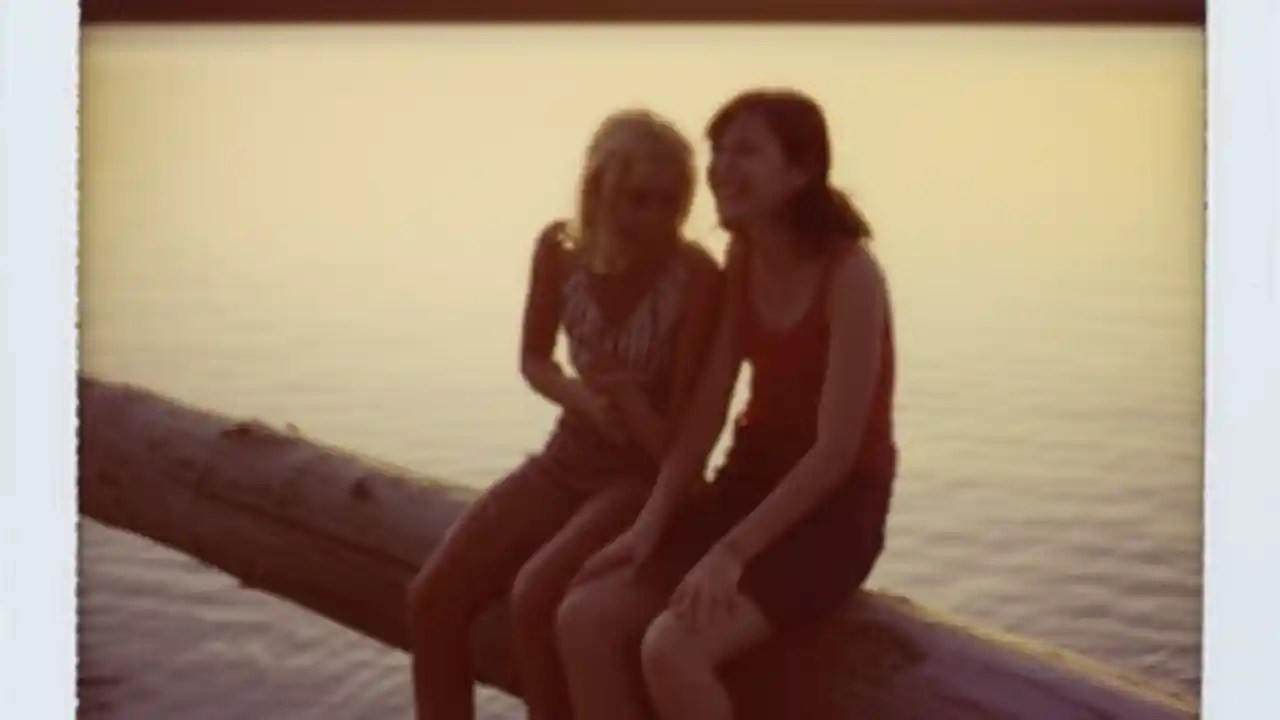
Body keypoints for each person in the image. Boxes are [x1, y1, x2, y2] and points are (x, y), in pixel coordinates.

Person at [556, 88, 898, 720]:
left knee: (672, 650)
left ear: (799, 172)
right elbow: (707, 414)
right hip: (748, 487)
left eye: (745, 151)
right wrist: (650, 525)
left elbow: (836, 451)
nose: (720, 168)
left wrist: (730, 554)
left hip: (834, 513)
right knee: (584, 618)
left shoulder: (851, 276)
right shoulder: (743, 259)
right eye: (717, 151)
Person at [404, 109, 722, 720]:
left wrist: (626, 400)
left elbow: (681, 447)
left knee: (535, 595)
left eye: (671, 202)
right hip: (565, 458)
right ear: (597, 188)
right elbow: (533, 357)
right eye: (637, 199)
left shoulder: (697, 278)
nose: (655, 218)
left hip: (641, 481)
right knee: (433, 595)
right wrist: (585, 399)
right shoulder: (559, 248)